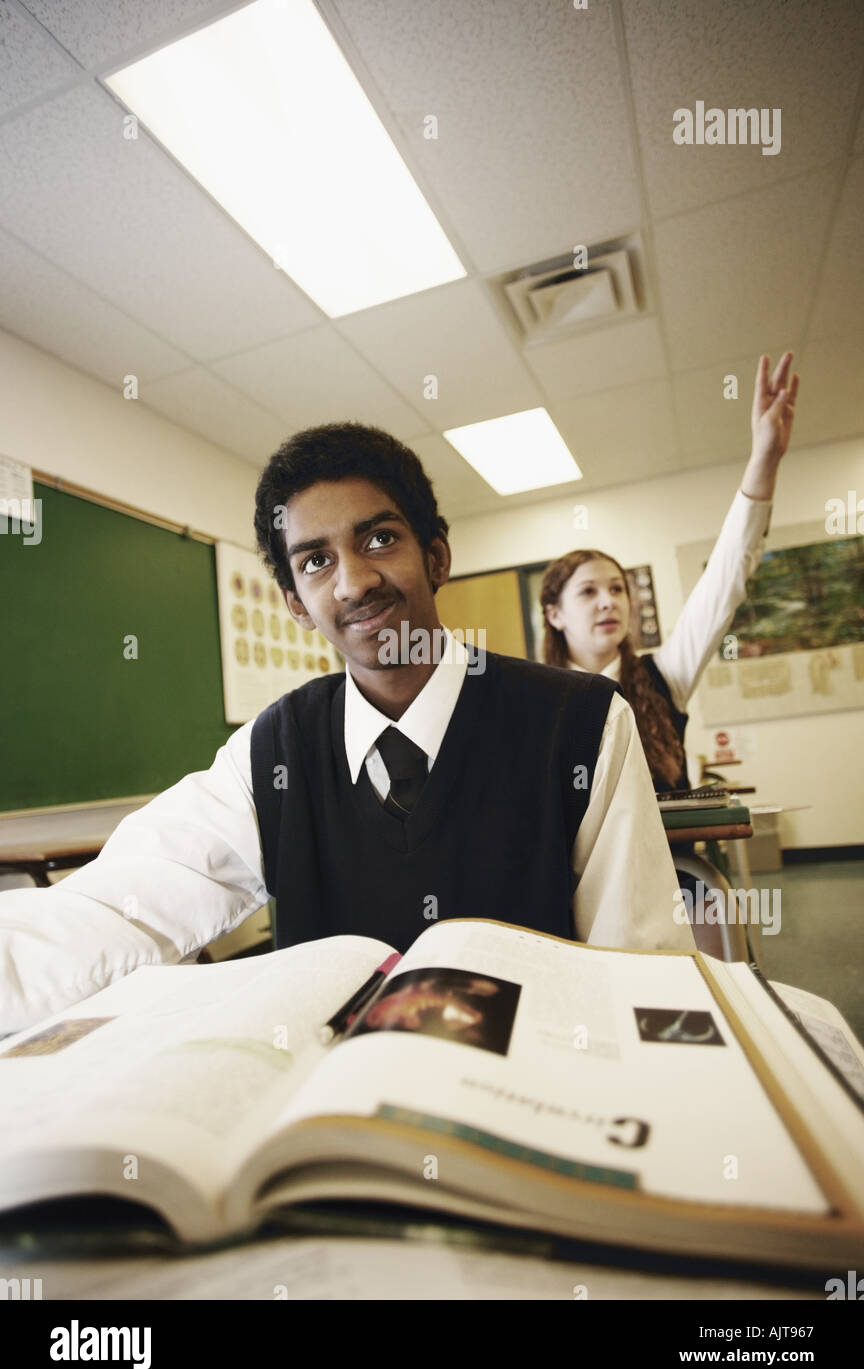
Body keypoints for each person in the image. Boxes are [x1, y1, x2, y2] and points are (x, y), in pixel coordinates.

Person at [0, 423, 693, 1035]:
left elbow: (641, 970)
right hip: (335, 1134)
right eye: (315, 561)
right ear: (296, 605)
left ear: (438, 557)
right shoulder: (272, 753)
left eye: (380, 538)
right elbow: (119, 904)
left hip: (529, 1118)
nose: (354, 582)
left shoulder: (582, 724)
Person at [540, 353, 799, 791]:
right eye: (587, 592)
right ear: (555, 614)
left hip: (668, 859)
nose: (609, 601)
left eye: (617, 589)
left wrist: (765, 457)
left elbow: (725, 578)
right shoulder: (534, 696)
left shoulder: (665, 676)